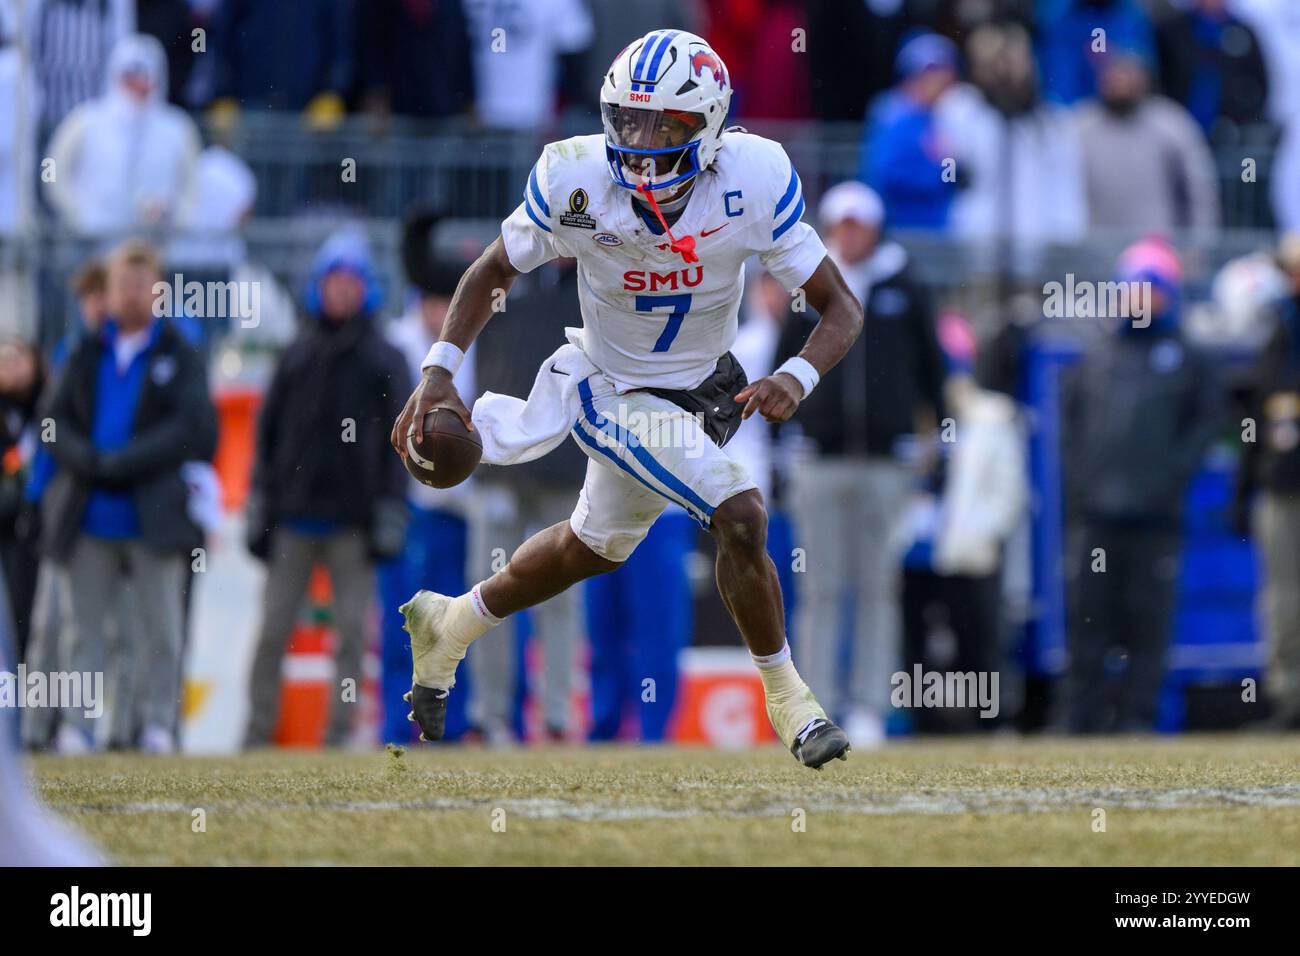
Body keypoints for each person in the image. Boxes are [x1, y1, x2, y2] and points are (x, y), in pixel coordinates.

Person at [391, 30, 863, 769]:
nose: (641, 142)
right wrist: (439, 370)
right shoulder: (574, 177)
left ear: (707, 128)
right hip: (602, 385)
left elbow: (841, 307)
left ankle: (449, 626)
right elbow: (490, 271)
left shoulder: (753, 177)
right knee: (739, 514)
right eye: (629, 120)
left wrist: (797, 375)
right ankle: (792, 703)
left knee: (589, 549)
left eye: (665, 125)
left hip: (701, 392)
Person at [775, 181, 945, 748]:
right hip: (820, 457)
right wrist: (785, 442)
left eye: (859, 225)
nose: (850, 235)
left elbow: (932, 371)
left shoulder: (907, 286)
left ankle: (871, 704)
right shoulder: (811, 287)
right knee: (821, 587)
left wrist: (936, 445)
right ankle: (813, 708)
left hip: (885, 460)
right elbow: (785, 364)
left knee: (877, 586)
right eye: (841, 224)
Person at [39, 239, 217, 753]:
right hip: (88, 513)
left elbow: (195, 428)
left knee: (160, 628)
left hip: (154, 515)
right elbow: (51, 423)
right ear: (109, 291)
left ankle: (157, 725)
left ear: (158, 291)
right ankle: (79, 726)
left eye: (141, 285)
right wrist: (90, 461)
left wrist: (126, 461)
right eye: (122, 285)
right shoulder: (84, 349)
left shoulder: (180, 353)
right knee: (82, 632)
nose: (131, 295)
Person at [244, 228, 410, 749]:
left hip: (352, 522)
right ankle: (256, 733)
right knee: (273, 632)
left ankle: (339, 735)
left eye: (351, 281)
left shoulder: (384, 357)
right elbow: (266, 435)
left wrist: (390, 508)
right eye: (333, 281)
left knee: (352, 637)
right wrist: (260, 501)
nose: (341, 291)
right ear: (320, 286)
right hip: (294, 518)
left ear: (367, 288)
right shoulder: (296, 352)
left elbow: (400, 440)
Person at [1062, 238, 1221, 733]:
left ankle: (1138, 719)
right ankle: (1080, 720)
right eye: (1134, 288)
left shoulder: (1189, 358)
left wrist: (1169, 477)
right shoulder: (1097, 356)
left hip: (1156, 515)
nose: (1142, 300)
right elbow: (1073, 428)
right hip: (1099, 515)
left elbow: (1205, 427)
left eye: (1152, 289)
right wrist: (1083, 484)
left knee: (1147, 622)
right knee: (1089, 622)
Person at [1235, 233, 1300, 729]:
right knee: (1282, 598)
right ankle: (1289, 699)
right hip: (1283, 481)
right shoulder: (1281, 328)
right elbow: (1259, 416)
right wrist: (1245, 487)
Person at [43, 32, 201, 236]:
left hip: (153, 250)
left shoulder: (178, 128)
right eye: (130, 78)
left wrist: (174, 218)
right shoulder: (85, 120)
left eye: (145, 78)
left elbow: (193, 186)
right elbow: (51, 169)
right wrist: (77, 213)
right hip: (94, 246)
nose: (138, 86)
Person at [1074, 47, 1220, 234]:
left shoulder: (1172, 125)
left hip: (1157, 247)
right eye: (1115, 74)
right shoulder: (1079, 128)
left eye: (1128, 74)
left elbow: (1200, 191)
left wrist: (1199, 243)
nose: (1121, 82)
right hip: (1092, 246)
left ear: (1144, 78)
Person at [858, 31, 959, 230]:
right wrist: (942, 176)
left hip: (937, 225)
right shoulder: (894, 115)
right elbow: (885, 173)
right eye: (933, 74)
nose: (941, 82)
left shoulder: (944, 113)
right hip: (902, 224)